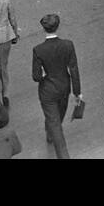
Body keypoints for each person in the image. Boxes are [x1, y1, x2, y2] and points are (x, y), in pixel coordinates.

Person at [32, 13, 84, 160]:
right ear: (58, 26)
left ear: (43, 29)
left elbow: (36, 76)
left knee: (54, 122)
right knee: (58, 117)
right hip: (64, 87)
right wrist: (77, 92)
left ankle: (54, 138)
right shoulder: (68, 45)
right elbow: (73, 68)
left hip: (47, 91)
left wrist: (43, 74)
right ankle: (52, 134)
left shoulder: (38, 50)